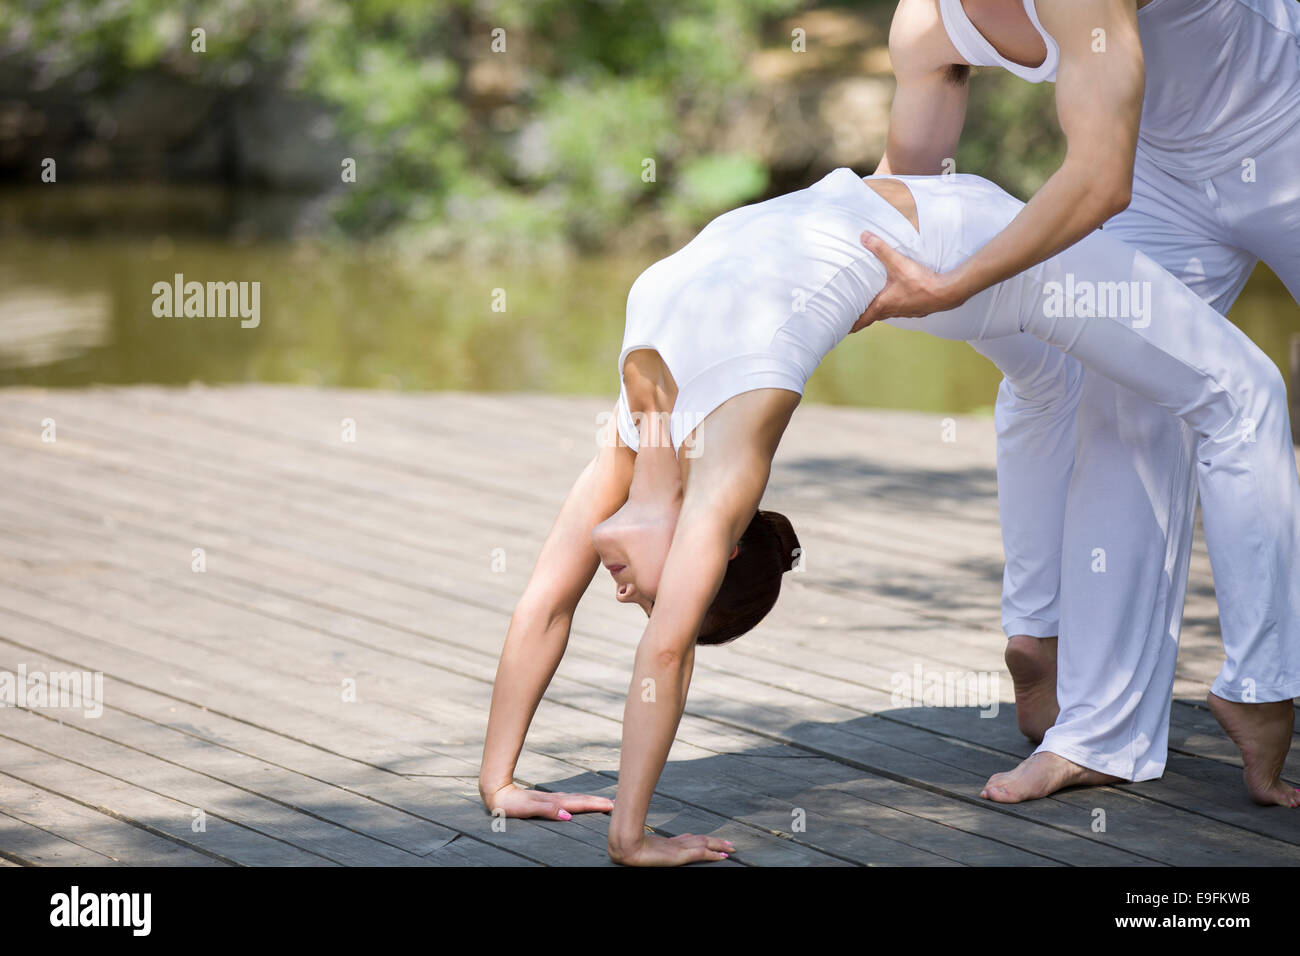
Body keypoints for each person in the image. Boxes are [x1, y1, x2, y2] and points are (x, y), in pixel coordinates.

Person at [479, 167, 1300, 867]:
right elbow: (616, 633)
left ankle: (1055, 640)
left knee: (1140, 387)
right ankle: (1076, 645)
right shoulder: (721, 464)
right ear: (718, 550)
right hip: (940, 251)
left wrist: (593, 820)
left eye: (657, 602)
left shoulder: (637, 447)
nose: (631, 601)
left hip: (959, 250)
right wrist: (518, 790)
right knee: (1185, 391)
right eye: (667, 598)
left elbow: (551, 604)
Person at [859, 0, 1300, 802]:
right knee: (1122, 399)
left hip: (1286, 125)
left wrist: (957, 285)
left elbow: (1095, 181)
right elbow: (908, 211)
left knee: (1221, 397)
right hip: (1160, 176)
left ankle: (1265, 675)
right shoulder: (925, 23)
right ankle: (1101, 730)